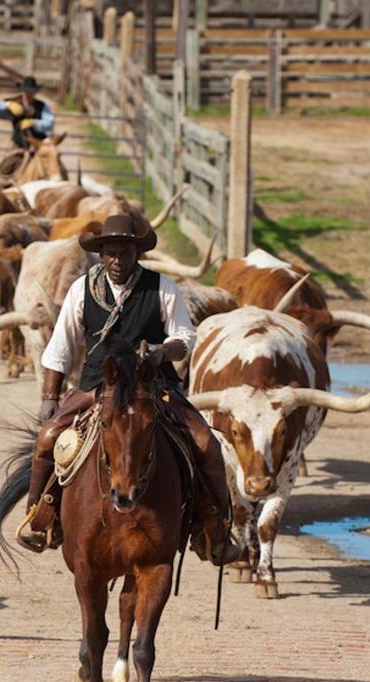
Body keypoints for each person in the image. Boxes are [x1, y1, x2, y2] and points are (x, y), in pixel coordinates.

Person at [17, 214, 239, 565]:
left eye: (125, 253)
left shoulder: (162, 287)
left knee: (206, 444)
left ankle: (215, 528)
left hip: (155, 386)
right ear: (101, 255)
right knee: (47, 438)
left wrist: (161, 351)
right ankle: (39, 518)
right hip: (97, 385)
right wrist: (49, 398)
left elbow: (185, 338)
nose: (118, 260)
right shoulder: (81, 289)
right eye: (111, 253)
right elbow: (60, 348)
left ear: (137, 253)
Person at [0, 76, 55, 149]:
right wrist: (8, 105)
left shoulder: (42, 106)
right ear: (22, 91)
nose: (28, 94)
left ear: (35, 92)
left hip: (39, 144)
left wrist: (33, 123)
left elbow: (50, 123)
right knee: (11, 160)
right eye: (26, 91)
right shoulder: (15, 102)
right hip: (19, 144)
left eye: (31, 92)